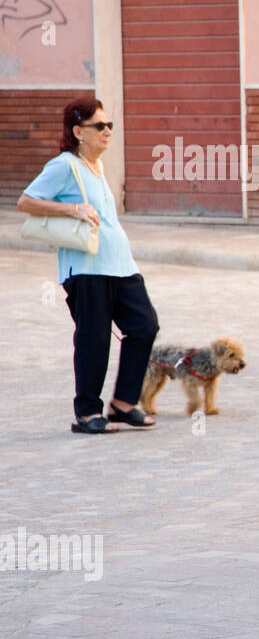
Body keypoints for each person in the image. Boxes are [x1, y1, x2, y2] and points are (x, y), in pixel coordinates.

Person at [17, 97, 160, 434]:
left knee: (144, 326)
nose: (107, 131)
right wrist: (73, 209)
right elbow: (26, 201)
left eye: (109, 125)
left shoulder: (97, 165)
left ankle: (124, 404)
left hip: (121, 266)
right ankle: (87, 413)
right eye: (100, 126)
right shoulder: (65, 165)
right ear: (79, 131)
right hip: (86, 270)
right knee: (94, 340)